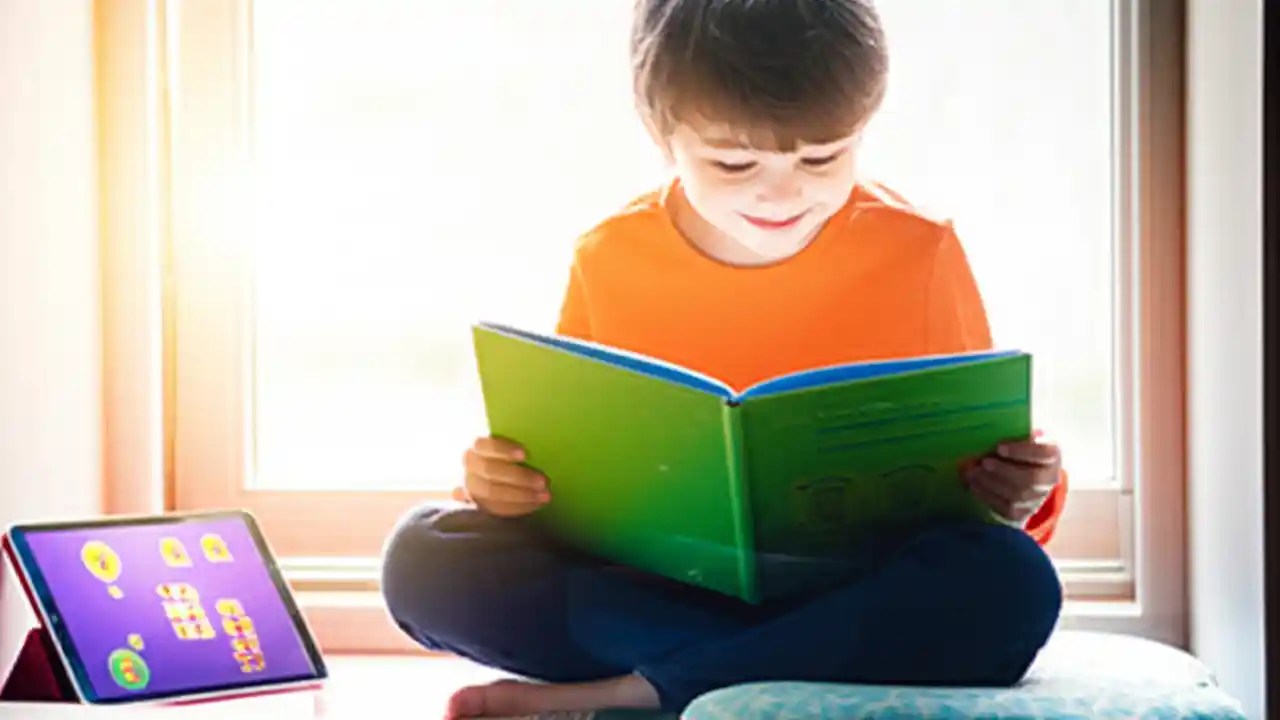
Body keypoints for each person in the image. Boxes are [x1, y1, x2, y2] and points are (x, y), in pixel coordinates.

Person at [381, 1, 1068, 717]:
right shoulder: (610, 257)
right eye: (734, 162)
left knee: (1009, 583)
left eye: (822, 156)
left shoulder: (919, 255)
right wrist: (504, 488)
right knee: (423, 558)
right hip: (665, 588)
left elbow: (990, 490)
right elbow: (568, 474)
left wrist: (1023, 490)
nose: (783, 190)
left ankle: (636, 693)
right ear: (665, 138)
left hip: (851, 584)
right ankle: (758, 674)